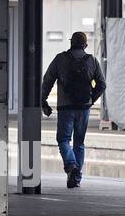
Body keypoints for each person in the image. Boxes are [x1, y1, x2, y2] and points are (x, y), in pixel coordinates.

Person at [41, 31, 106, 189]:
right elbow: (102, 84)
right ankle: (76, 178)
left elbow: (47, 80)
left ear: (71, 43)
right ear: (85, 45)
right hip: (83, 108)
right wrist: (90, 100)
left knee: (63, 140)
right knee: (79, 142)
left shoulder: (60, 59)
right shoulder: (92, 61)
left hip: (66, 107)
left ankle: (72, 167)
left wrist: (43, 101)